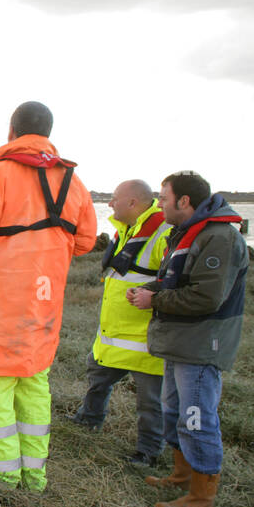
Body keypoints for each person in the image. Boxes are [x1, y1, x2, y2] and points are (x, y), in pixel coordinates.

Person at [0, 101, 97, 492]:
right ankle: (35, 475)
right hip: (42, 310)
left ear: (12, 132)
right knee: (33, 386)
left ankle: (4, 475)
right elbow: (85, 242)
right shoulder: (74, 183)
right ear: (47, 133)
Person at [127, 171, 248, 507]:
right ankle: (182, 476)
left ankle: (200, 500)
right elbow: (175, 280)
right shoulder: (188, 234)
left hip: (201, 345)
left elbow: (206, 297)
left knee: (197, 419)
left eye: (163, 197)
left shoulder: (219, 238)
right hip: (182, 342)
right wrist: (151, 289)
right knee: (176, 413)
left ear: (184, 201)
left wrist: (155, 301)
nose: (159, 203)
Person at [67, 180, 169, 467]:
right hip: (114, 335)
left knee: (150, 402)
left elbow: (175, 280)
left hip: (146, 339)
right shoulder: (126, 230)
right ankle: (88, 420)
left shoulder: (164, 232)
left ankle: (148, 452)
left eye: (114, 198)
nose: (110, 204)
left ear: (133, 203)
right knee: (97, 379)